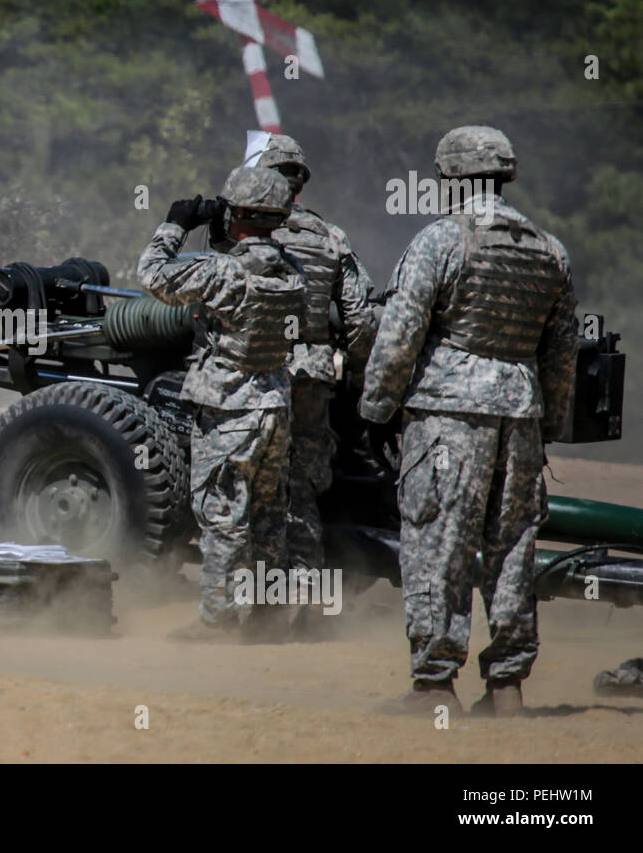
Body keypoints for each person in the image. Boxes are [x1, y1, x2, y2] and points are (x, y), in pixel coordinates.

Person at [359, 125, 579, 716]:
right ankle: (506, 687)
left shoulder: (441, 240)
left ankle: (434, 685)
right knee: (512, 549)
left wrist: (377, 408)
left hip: (447, 418)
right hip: (521, 416)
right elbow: (562, 353)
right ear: (505, 175)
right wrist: (547, 424)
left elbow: (400, 333)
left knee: (439, 543)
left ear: (449, 178)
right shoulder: (550, 250)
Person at [138, 166, 306, 641]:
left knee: (222, 515)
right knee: (270, 516)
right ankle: (271, 619)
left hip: (230, 409)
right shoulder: (292, 270)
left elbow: (151, 274)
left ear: (239, 215)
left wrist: (176, 223)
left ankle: (218, 619)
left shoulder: (221, 271)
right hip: (274, 405)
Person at [256, 135, 377, 632]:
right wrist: (353, 367)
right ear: (300, 182)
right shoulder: (332, 237)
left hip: (258, 371)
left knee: (257, 485)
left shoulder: (249, 231)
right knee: (303, 488)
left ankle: (260, 605)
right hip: (313, 375)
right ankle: (305, 603)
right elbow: (361, 318)